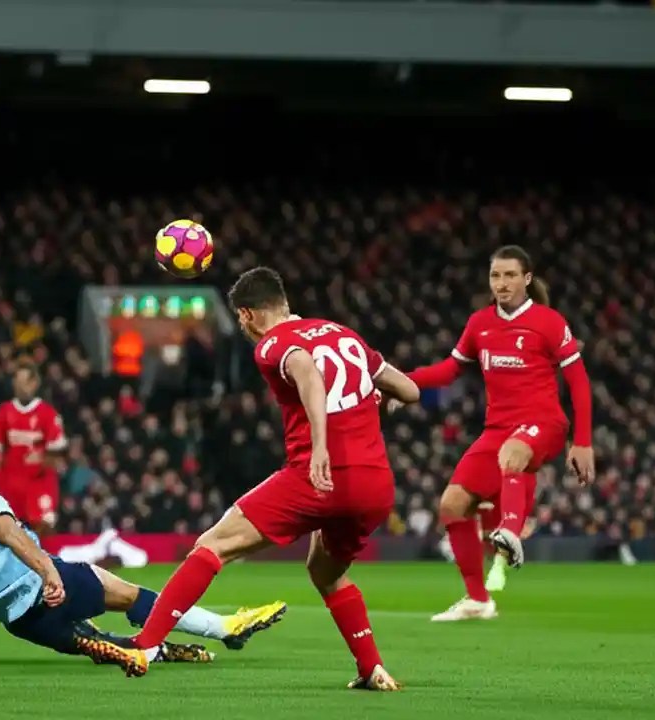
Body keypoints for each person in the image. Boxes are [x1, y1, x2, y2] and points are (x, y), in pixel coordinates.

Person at [102, 267, 419, 689]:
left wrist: (320, 446)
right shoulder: (343, 334)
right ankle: (371, 667)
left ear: (247, 314)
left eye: (240, 318)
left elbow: (308, 373)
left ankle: (143, 645)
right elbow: (410, 390)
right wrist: (383, 402)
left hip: (316, 477)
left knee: (212, 545)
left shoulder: (274, 343)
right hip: (374, 485)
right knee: (326, 572)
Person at [0, 446, 288, 676]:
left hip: (24, 623)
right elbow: (10, 534)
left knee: (107, 648)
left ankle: (159, 650)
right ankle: (222, 628)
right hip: (53, 582)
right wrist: (49, 571)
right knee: (130, 596)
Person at [399, 245, 594, 622]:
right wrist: (398, 381)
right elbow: (448, 371)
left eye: (509, 275)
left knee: (513, 452)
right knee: (452, 505)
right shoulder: (480, 324)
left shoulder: (549, 322)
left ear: (527, 279)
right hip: (497, 429)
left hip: (544, 423)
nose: (501, 283)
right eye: (495, 276)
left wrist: (583, 441)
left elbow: (579, 382)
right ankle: (478, 599)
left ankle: (510, 531)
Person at [0, 361, 67, 535]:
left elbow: (55, 452)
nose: (22, 386)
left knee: (44, 527)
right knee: (9, 531)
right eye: (18, 381)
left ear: (35, 383)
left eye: (26, 381)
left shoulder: (48, 414)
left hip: (39, 482)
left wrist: (39, 467)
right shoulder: (3, 413)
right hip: (11, 482)